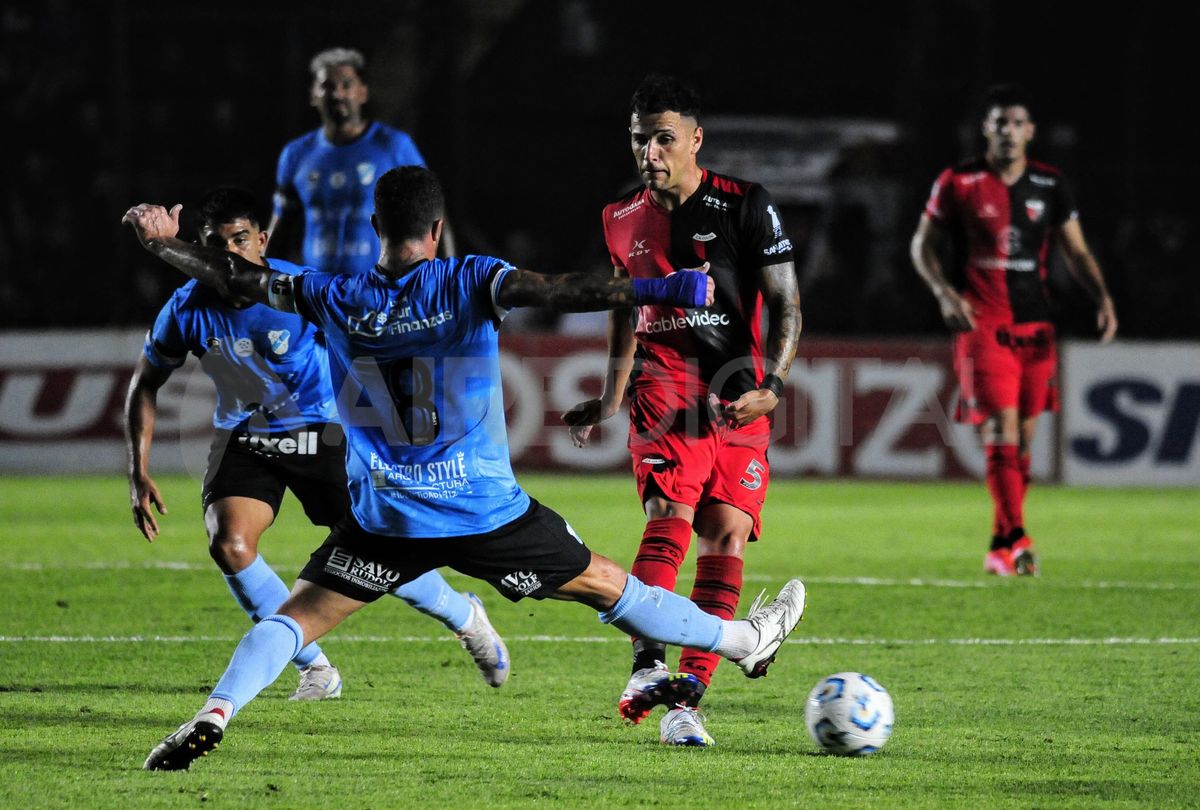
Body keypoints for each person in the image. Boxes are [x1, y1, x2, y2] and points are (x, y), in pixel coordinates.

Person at [123, 165, 807, 771]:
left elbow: (235, 276)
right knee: (612, 587)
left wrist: (162, 246)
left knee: (295, 618)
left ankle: (216, 712)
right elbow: (563, 291)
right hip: (485, 513)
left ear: (374, 227)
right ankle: (744, 641)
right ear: (436, 229)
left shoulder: (331, 294)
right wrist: (661, 286)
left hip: (387, 517)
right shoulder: (470, 278)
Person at [124, 187, 508, 704]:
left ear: (262, 241)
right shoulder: (185, 308)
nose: (230, 253)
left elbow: (371, 346)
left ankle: (464, 615)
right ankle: (316, 669)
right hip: (244, 436)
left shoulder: (298, 291)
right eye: (217, 243)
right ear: (200, 248)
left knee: (379, 555)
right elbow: (145, 383)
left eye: (241, 240)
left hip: (323, 429)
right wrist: (138, 470)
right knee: (230, 544)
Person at [562, 74, 802, 747]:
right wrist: (612, 397)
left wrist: (774, 384)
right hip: (665, 381)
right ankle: (647, 664)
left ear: (696, 140)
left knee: (725, 535)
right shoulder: (618, 217)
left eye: (664, 139)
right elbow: (623, 310)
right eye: (640, 139)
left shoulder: (746, 205)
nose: (650, 152)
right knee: (670, 513)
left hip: (739, 390)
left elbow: (787, 302)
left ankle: (685, 701)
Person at [910, 83, 1118, 576]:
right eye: (1000, 122)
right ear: (986, 129)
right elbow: (921, 246)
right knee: (1000, 430)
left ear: (1031, 131)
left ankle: (999, 545)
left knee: (1022, 443)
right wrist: (944, 293)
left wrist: (1103, 298)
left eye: (1017, 123)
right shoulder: (958, 181)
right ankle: (1019, 539)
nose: (1008, 131)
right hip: (983, 324)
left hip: (1035, 327)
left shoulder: (1050, 184)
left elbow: (1076, 251)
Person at [268, 46, 455, 269]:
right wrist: (261, 279)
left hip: (378, 287)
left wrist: (447, 279)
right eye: (327, 86)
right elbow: (280, 230)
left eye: (346, 85)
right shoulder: (296, 154)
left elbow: (435, 217)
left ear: (362, 93)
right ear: (313, 94)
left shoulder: (394, 147)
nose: (337, 94)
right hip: (316, 287)